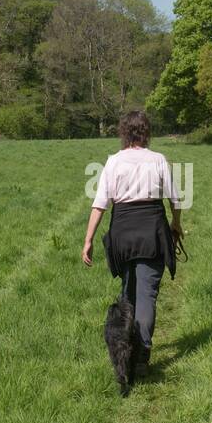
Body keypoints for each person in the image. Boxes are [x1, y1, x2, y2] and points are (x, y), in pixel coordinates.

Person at [82, 110, 183, 378]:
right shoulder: (158, 160)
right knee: (147, 294)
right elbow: (175, 199)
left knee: (128, 293)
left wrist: (88, 240)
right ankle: (142, 355)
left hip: (123, 232)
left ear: (124, 132)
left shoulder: (114, 162)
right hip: (152, 230)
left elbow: (100, 204)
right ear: (146, 132)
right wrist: (176, 223)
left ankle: (124, 349)